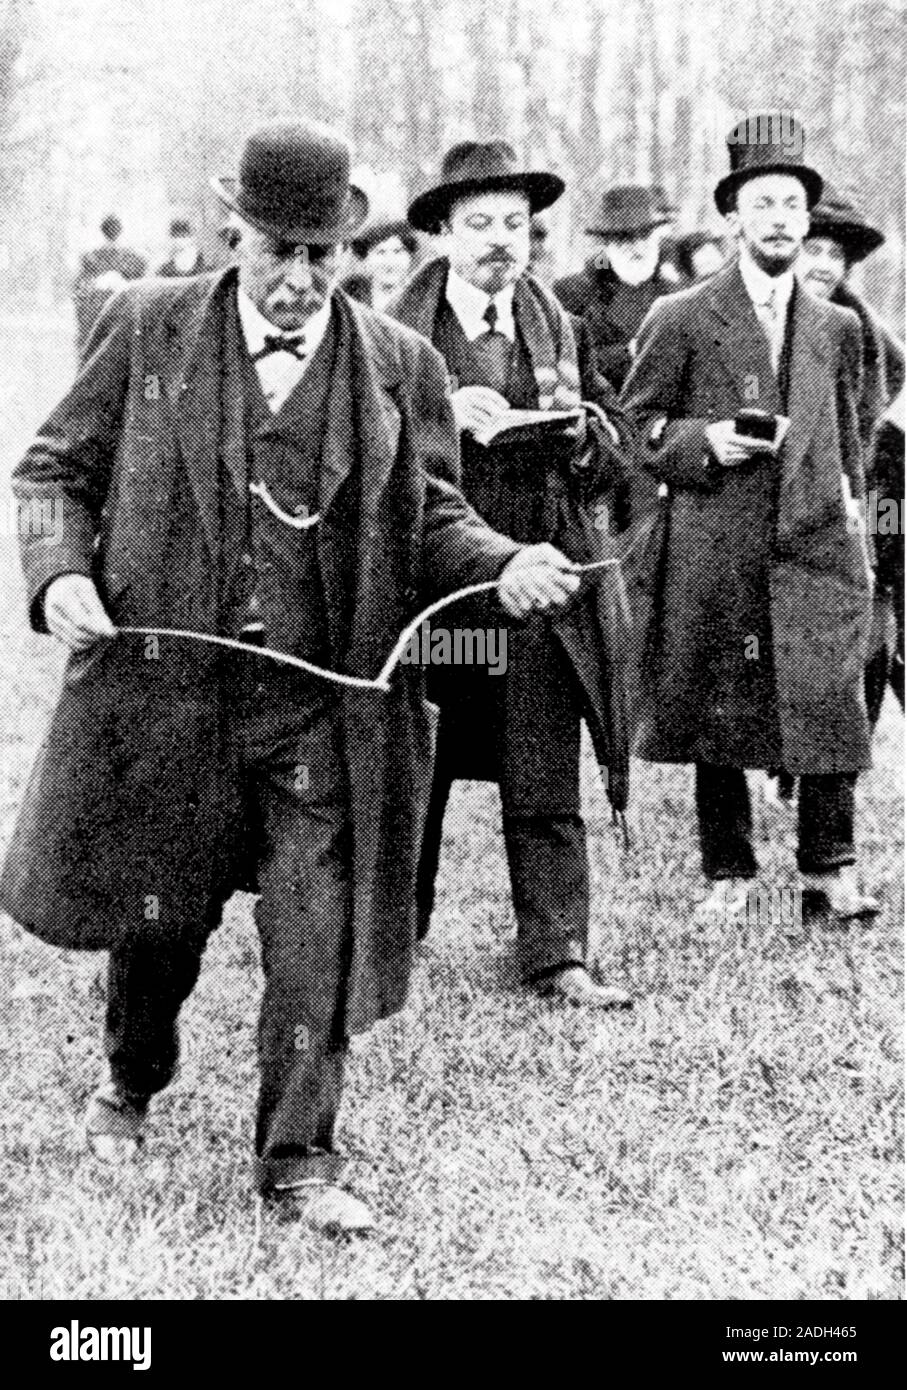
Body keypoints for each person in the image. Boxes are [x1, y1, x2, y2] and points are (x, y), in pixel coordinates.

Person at [0, 120, 582, 1237]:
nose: (299, 278)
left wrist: (503, 562)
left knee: (316, 935)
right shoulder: (148, 326)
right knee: (157, 924)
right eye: (278, 251)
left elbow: (432, 517)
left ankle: (298, 1157)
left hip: (319, 709)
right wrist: (57, 575)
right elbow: (49, 472)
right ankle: (131, 1078)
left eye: (323, 255)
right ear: (237, 237)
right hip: (171, 699)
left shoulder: (398, 365)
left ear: (349, 252)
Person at [393, 139, 636, 1011]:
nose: (501, 240)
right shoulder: (391, 335)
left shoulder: (561, 329)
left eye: (514, 224)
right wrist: (439, 413)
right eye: (479, 224)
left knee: (542, 770)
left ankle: (556, 954)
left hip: (536, 589)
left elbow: (618, 453)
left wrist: (580, 434)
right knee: (412, 766)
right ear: (441, 234)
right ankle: (392, 935)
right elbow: (348, 457)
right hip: (434, 594)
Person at [620, 112, 878, 924]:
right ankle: (725, 873)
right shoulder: (682, 316)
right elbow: (637, 429)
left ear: (808, 221)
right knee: (719, 705)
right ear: (732, 216)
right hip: (715, 544)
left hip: (813, 542)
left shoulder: (838, 328)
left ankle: (828, 872)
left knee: (828, 695)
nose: (778, 221)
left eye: (792, 207)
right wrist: (707, 441)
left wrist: (847, 515)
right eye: (762, 204)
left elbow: (853, 432)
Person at [796, 183, 904, 729]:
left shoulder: (870, 339)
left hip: (865, 502)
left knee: (867, 636)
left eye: (834, 255)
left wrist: (880, 526)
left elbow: (882, 438)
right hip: (769, 503)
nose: (822, 265)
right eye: (811, 249)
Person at [553, 184, 675, 392]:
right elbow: (565, 367)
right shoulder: (574, 294)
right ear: (607, 243)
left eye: (645, 236)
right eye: (624, 238)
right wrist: (630, 353)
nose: (637, 248)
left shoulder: (677, 295)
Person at [73, 214, 146, 360]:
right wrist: (98, 283)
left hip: (116, 327)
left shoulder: (133, 260)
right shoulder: (132, 259)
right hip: (112, 327)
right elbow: (79, 295)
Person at [342, 218, 417, 311]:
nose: (390, 262)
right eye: (380, 252)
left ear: (409, 256)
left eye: (397, 251)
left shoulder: (420, 296)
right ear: (366, 258)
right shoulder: (349, 292)